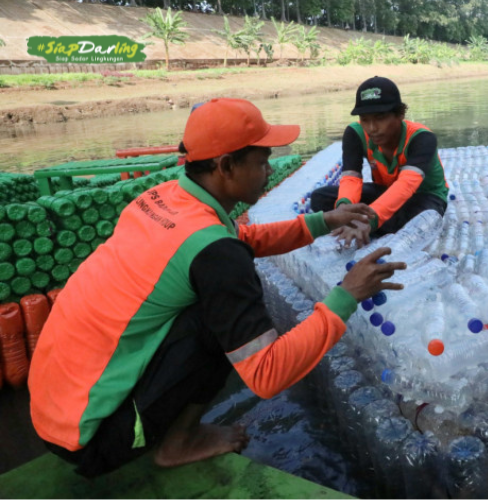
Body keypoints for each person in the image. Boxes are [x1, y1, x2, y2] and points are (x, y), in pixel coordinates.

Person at [28, 98, 405, 478]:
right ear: (225, 166)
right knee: (221, 320)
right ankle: (176, 443)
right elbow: (268, 374)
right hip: (92, 438)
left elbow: (244, 238)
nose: (269, 170)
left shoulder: (163, 200)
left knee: (220, 306)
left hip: (53, 411)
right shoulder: (216, 255)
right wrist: (346, 295)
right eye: (260, 162)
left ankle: (164, 427)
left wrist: (324, 220)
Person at [310, 76, 449, 247]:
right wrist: (344, 209)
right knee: (320, 198)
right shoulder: (355, 133)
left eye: (380, 118)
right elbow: (351, 177)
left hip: (423, 197)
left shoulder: (421, 138)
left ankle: (367, 223)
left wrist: (370, 220)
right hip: (386, 191)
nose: (372, 128)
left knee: (424, 216)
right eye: (365, 119)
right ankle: (365, 221)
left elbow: (406, 185)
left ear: (400, 114)